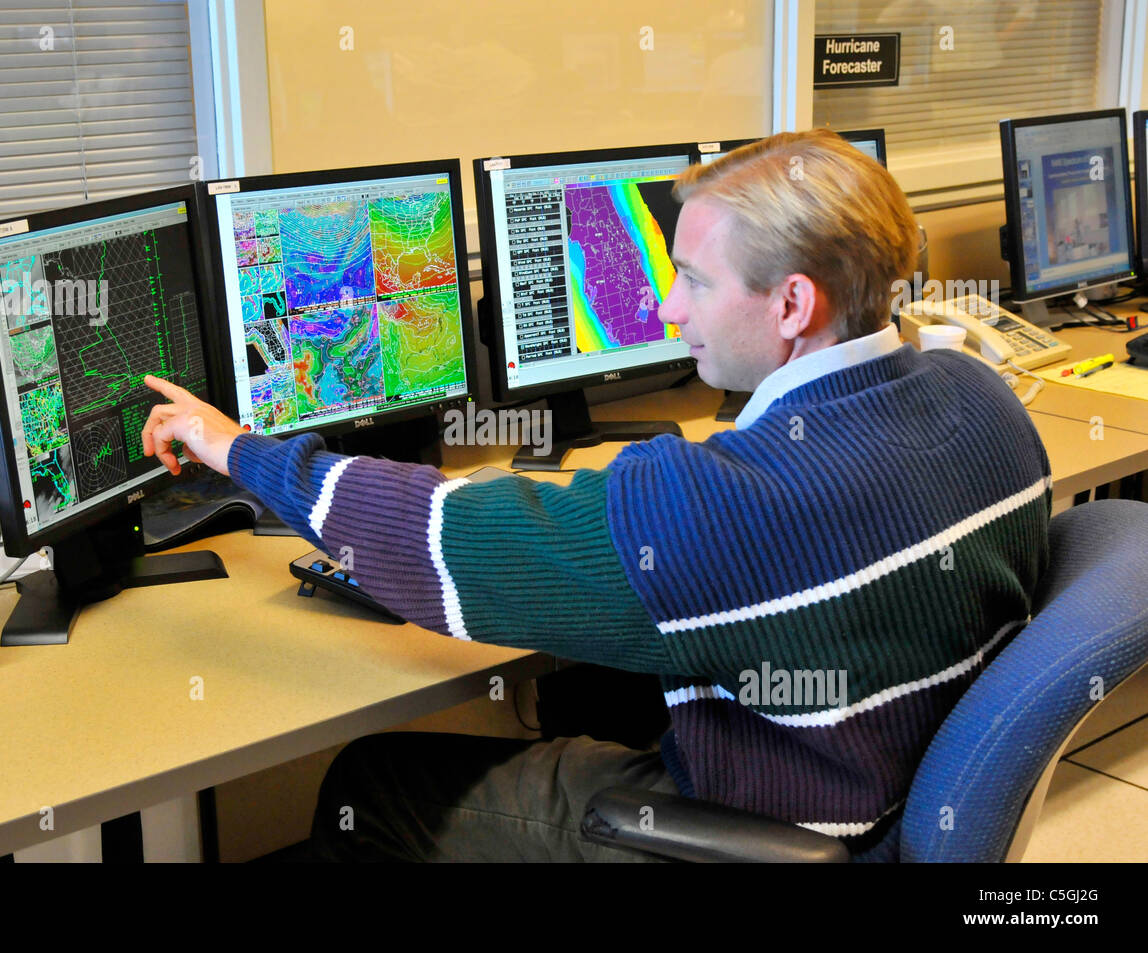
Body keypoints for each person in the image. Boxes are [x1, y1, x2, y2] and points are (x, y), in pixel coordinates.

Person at [141, 128, 1051, 862]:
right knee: (588, 699)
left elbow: (443, 540)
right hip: (889, 784)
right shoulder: (985, 398)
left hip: (792, 827)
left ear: (791, 306)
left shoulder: (730, 501)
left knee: (370, 782)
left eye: (693, 280)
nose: (667, 309)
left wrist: (236, 449)